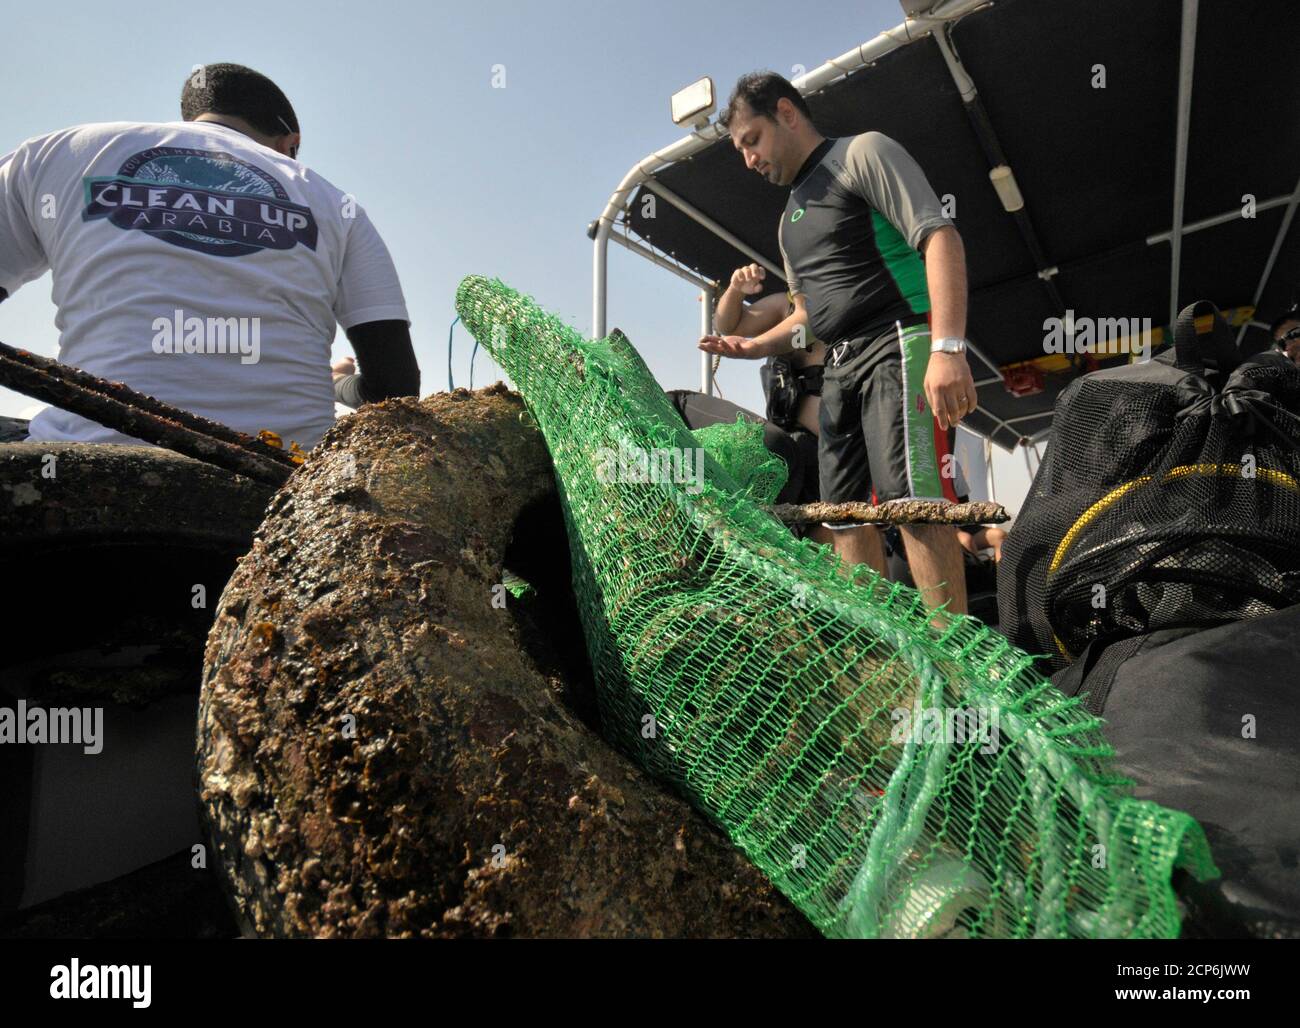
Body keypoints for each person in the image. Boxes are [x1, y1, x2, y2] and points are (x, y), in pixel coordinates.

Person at [0, 63, 418, 449]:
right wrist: (339, 385)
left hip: (89, 456)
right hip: (284, 481)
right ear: (291, 143)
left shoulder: (56, 153)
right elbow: (395, 389)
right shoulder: (338, 205)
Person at [700, 72, 977, 613]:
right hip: (840, 366)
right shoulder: (787, 225)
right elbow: (807, 320)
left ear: (786, 112)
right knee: (843, 513)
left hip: (898, 340)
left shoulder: (864, 153)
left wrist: (947, 348)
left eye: (751, 140)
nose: (749, 161)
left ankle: (957, 660)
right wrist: (757, 347)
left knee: (911, 502)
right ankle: (890, 654)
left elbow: (939, 236)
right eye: (740, 151)